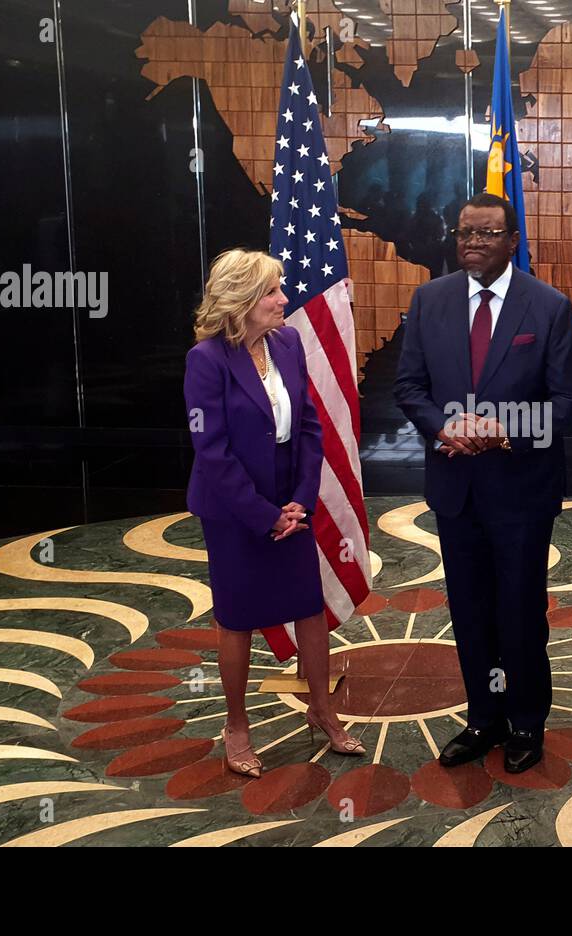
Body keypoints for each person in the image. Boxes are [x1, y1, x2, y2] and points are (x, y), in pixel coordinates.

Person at [394, 193, 572, 774]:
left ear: (512, 240)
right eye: (464, 233)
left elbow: (568, 402)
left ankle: (526, 721)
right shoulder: (429, 300)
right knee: (471, 610)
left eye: (487, 234)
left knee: (519, 610)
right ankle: (483, 718)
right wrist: (444, 426)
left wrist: (506, 432)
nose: (472, 243)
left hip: (520, 490)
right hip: (456, 488)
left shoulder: (548, 307)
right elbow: (409, 388)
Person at [184, 248, 364, 777]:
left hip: (291, 506)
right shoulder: (207, 360)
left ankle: (323, 711)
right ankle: (236, 727)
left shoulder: (287, 342)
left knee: (308, 608)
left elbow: (309, 426)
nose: (284, 300)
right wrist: (265, 515)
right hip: (235, 514)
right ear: (240, 301)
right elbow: (211, 451)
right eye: (272, 292)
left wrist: (301, 503)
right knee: (237, 620)